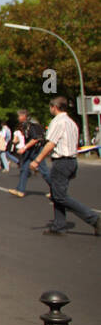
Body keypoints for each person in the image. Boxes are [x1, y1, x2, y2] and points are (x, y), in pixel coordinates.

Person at [32, 97, 100, 236]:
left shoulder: (57, 122)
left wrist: (37, 160)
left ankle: (94, 219)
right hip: (71, 161)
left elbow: (51, 143)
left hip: (61, 162)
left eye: (50, 107)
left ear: (54, 107)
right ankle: (59, 225)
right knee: (57, 194)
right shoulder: (71, 123)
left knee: (60, 196)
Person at [13, 109, 51, 197]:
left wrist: (24, 148)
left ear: (23, 116)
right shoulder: (26, 125)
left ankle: (55, 190)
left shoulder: (31, 124)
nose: (18, 118)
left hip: (36, 150)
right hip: (30, 150)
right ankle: (20, 190)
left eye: (19, 116)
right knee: (24, 169)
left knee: (44, 171)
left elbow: (36, 138)